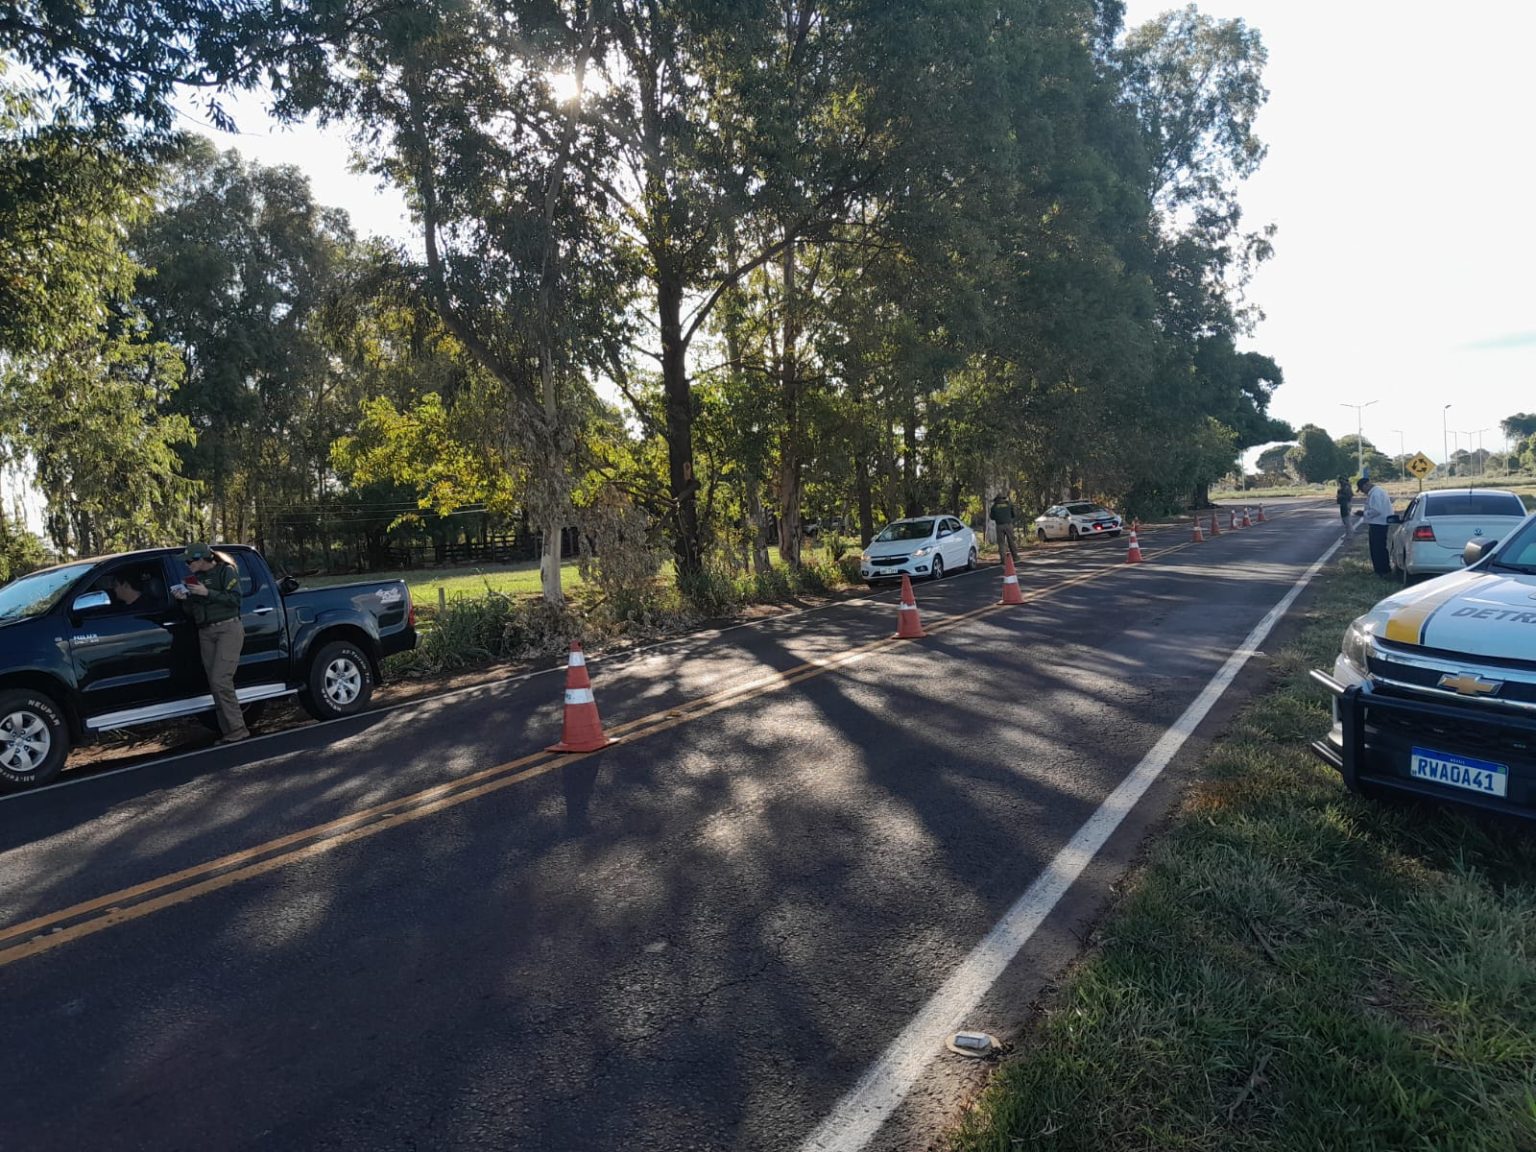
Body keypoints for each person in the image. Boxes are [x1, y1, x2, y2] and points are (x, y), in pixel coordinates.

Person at [174, 543, 249, 743]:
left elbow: (235, 600)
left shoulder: (226, 572)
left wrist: (207, 592)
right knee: (214, 684)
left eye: (190, 561)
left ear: (201, 559)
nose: (188, 565)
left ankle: (238, 729)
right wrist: (184, 599)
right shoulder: (193, 580)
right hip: (205, 632)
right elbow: (192, 611)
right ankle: (228, 731)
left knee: (221, 679)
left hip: (228, 629)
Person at [1357, 477, 1395, 576]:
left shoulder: (1375, 493)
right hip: (1380, 523)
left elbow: (1376, 510)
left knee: (1377, 548)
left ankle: (1381, 570)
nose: (1362, 492)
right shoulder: (1377, 491)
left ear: (1366, 485)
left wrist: (1364, 513)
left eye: (1361, 489)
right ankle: (1383, 570)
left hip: (1378, 523)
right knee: (1379, 547)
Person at [989, 493, 1019, 562]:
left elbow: (992, 517)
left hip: (999, 526)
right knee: (1011, 541)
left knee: (1001, 543)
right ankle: (1015, 557)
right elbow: (1013, 514)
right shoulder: (1009, 505)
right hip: (1008, 525)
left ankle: (1003, 559)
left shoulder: (994, 507)